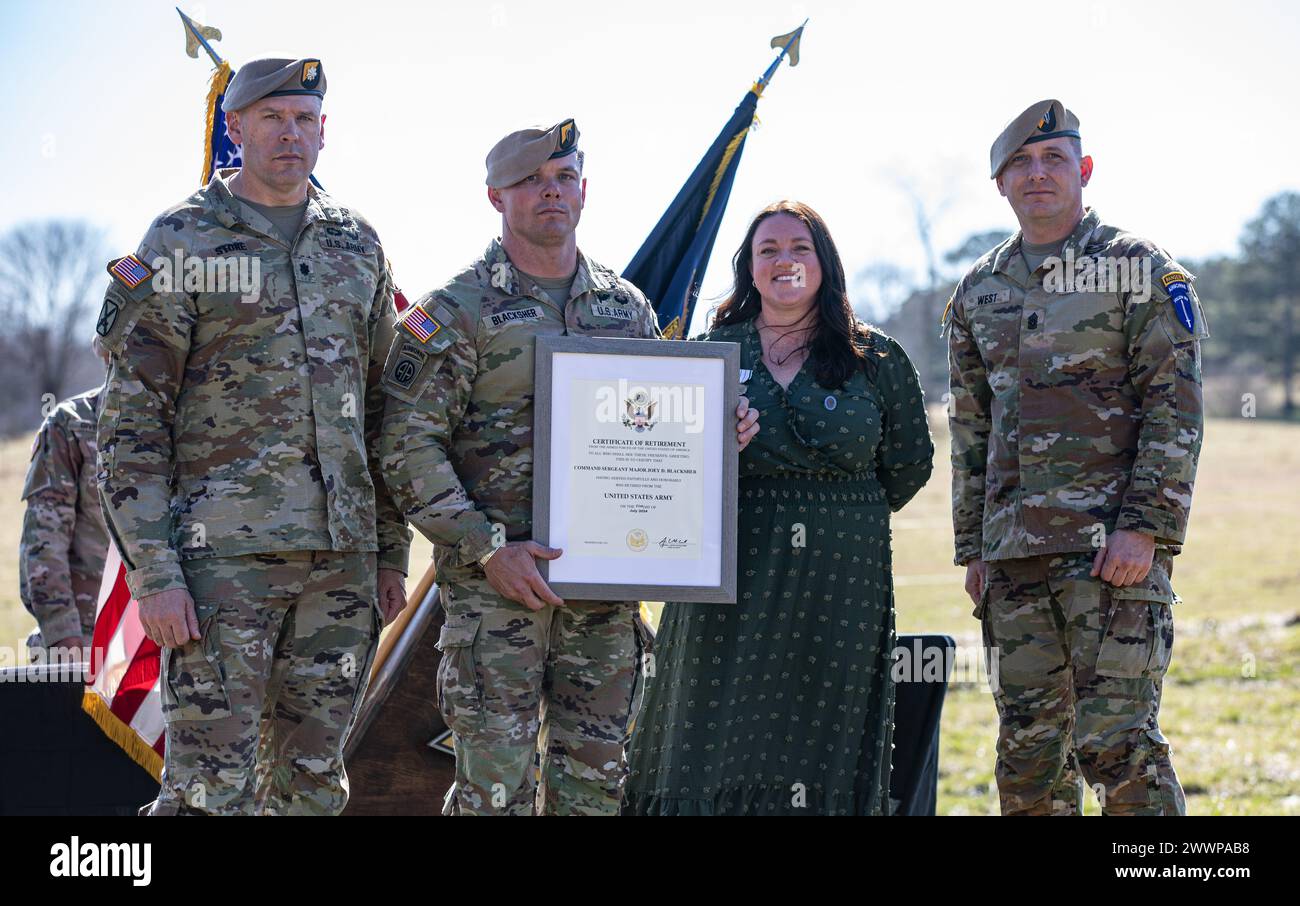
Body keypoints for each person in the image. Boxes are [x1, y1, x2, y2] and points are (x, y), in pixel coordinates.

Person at [379, 119, 760, 815]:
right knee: (495, 793)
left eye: (563, 177)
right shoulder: (457, 311)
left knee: (595, 793)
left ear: (585, 189)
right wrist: (488, 549)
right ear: (496, 197)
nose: (550, 193)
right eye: (530, 181)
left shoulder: (625, 307)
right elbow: (406, 447)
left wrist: (716, 436)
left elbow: (661, 433)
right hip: (499, 599)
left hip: (605, 604)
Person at [95, 56, 410, 815]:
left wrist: (390, 550)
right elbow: (134, 421)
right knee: (210, 790)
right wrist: (156, 572)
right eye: (271, 118)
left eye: (304, 120)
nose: (290, 135)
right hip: (218, 568)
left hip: (341, 564)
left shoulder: (357, 244)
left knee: (312, 786)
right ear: (235, 129)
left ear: (324, 132)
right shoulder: (183, 239)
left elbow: (384, 412)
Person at [624, 200, 934, 815]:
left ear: (825, 263)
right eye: (768, 250)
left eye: (800, 248)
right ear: (748, 267)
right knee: (712, 732)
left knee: (822, 735)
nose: (784, 261)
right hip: (728, 577)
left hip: (840, 580)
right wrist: (716, 457)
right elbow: (658, 470)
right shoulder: (708, 354)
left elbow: (909, 464)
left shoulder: (877, 358)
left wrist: (837, 512)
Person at [945, 99, 1208, 815]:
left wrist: (1146, 527)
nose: (1038, 175)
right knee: (1028, 755)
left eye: (1054, 159)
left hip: (1110, 555)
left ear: (1084, 170)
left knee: (1117, 746)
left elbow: (1175, 408)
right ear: (1000, 183)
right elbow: (970, 430)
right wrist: (974, 549)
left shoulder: (1140, 270)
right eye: (1021, 164)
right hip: (1013, 561)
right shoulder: (978, 293)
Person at [20, 338, 111, 658]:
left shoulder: (184, 427)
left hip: (172, 639)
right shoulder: (71, 424)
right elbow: (43, 542)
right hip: (86, 640)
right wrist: (63, 636)